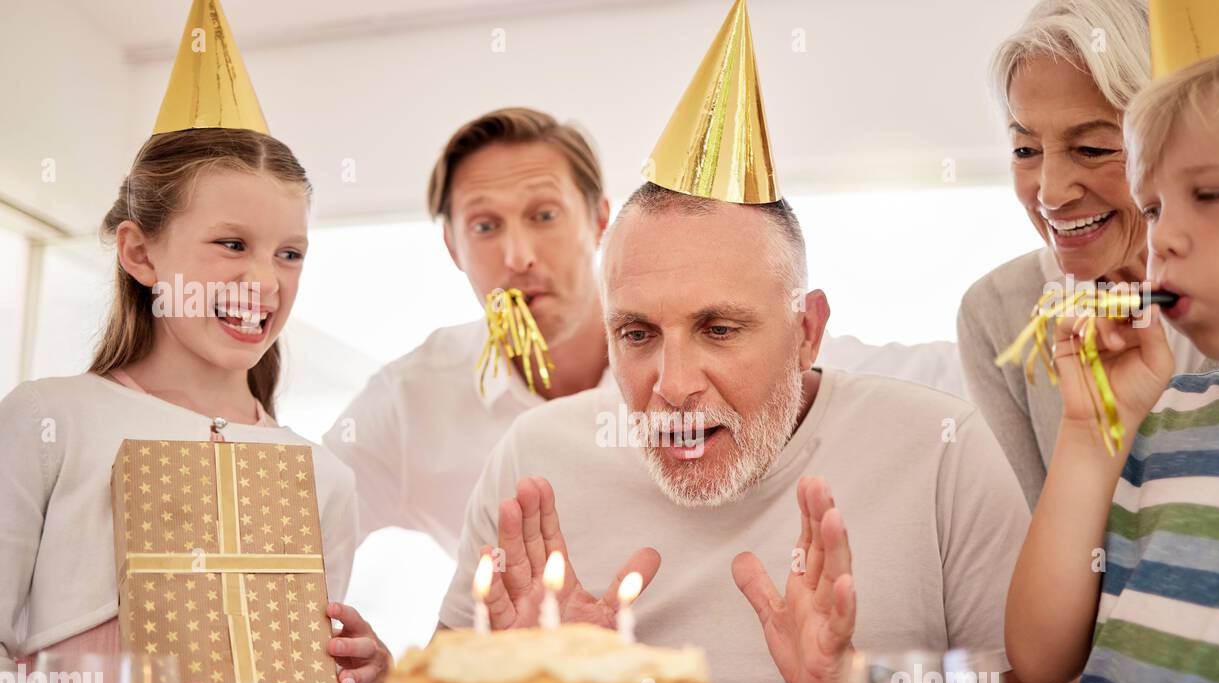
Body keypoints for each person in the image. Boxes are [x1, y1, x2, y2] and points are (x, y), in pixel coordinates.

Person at [436, 2, 1054, 683]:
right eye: (637, 334)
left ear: (807, 331)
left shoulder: (940, 450)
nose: (673, 386)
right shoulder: (536, 462)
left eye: (720, 330)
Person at [0, 0, 387, 683]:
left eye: (289, 254)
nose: (264, 282)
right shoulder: (50, 423)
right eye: (231, 244)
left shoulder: (323, 476)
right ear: (140, 255)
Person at [324, 108, 968, 556]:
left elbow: (954, 381)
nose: (517, 254)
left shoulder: (762, 358)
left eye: (544, 214)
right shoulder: (412, 400)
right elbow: (300, 524)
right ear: (451, 247)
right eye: (485, 226)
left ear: (600, 220)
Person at [1008, 16, 1219, 683]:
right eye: (1156, 205)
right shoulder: (1170, 423)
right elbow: (1042, 659)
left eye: (1208, 195)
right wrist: (1090, 432)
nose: (1161, 240)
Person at [958, 0, 1211, 507]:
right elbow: (1032, 538)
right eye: (1025, 150)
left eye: (1092, 149)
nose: (1050, 194)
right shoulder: (997, 313)